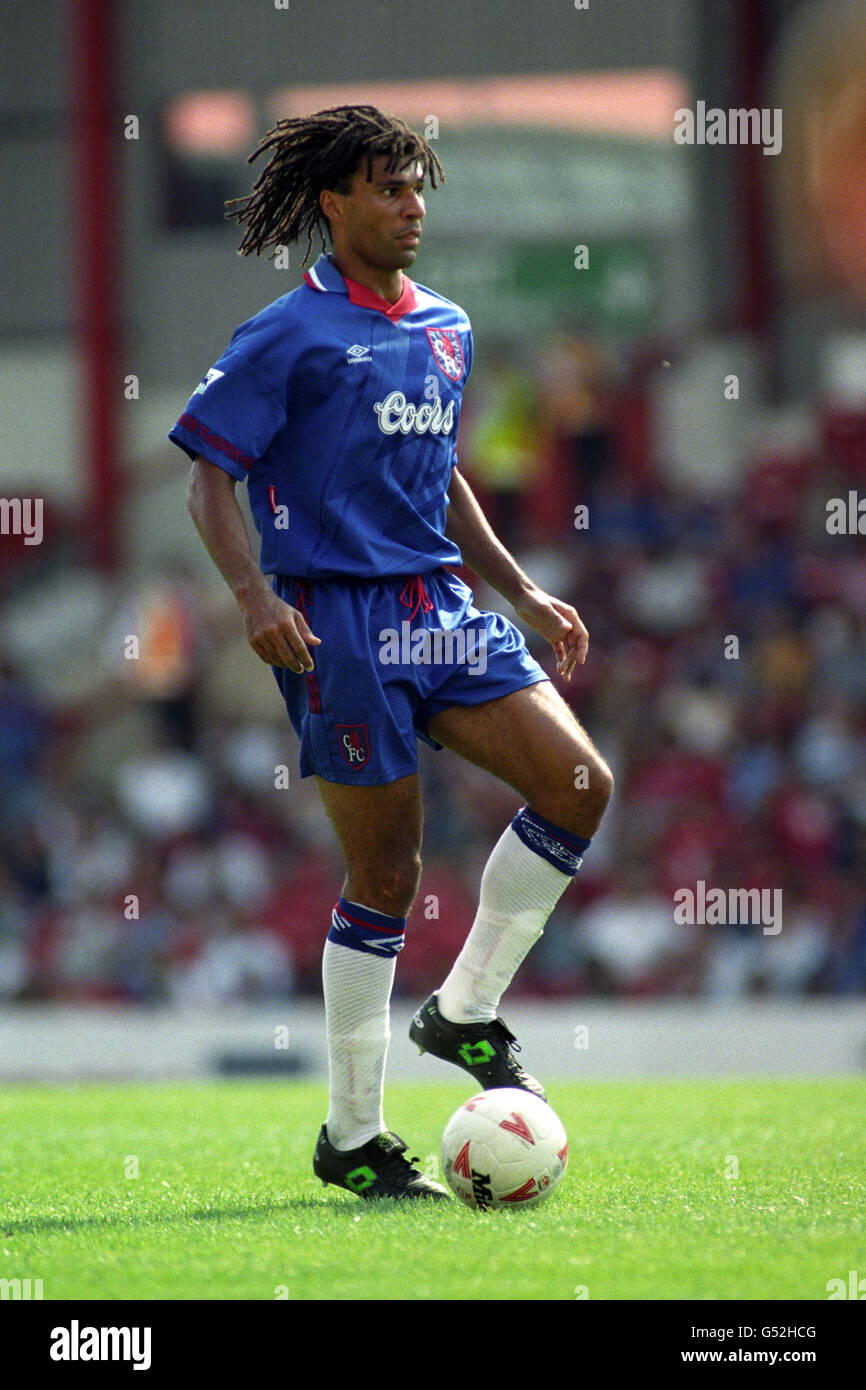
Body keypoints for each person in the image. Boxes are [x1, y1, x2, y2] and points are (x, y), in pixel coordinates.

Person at [170, 106, 613, 1201]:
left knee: (577, 785)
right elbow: (206, 477)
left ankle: (461, 1010)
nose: (411, 207)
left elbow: (442, 469)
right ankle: (353, 1138)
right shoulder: (286, 334)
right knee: (384, 876)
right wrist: (249, 593)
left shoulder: (447, 327)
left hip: (445, 607)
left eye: (418, 190)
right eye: (387, 189)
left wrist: (516, 586)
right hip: (339, 624)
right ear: (333, 204)